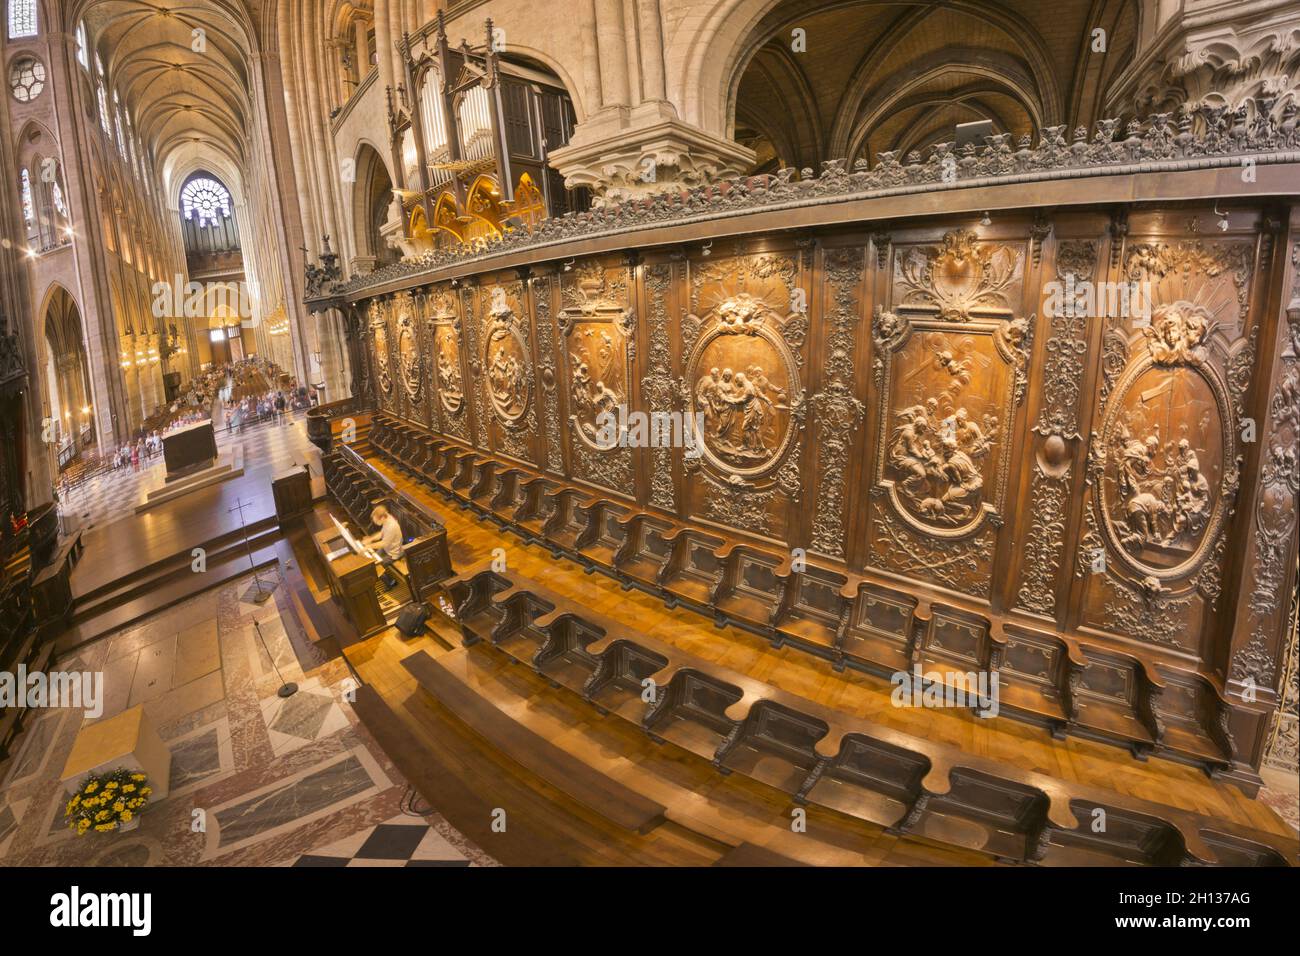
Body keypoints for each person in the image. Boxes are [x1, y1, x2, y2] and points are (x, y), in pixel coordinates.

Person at [362, 504, 404, 590]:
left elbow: (384, 543)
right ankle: (386, 579)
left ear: (381, 518)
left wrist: (369, 546)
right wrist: (371, 539)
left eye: (376, 521)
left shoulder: (392, 526)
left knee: (373, 567)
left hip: (394, 553)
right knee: (371, 561)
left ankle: (391, 583)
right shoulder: (387, 518)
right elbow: (382, 533)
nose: (376, 523)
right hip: (387, 549)